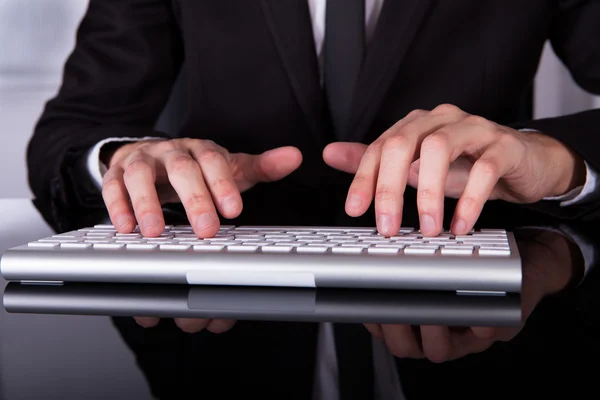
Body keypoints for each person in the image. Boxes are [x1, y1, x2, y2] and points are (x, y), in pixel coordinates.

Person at [25, 0, 600, 397]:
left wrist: (559, 158)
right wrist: (123, 159)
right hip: (222, 359)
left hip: (480, 329)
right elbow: (70, 130)